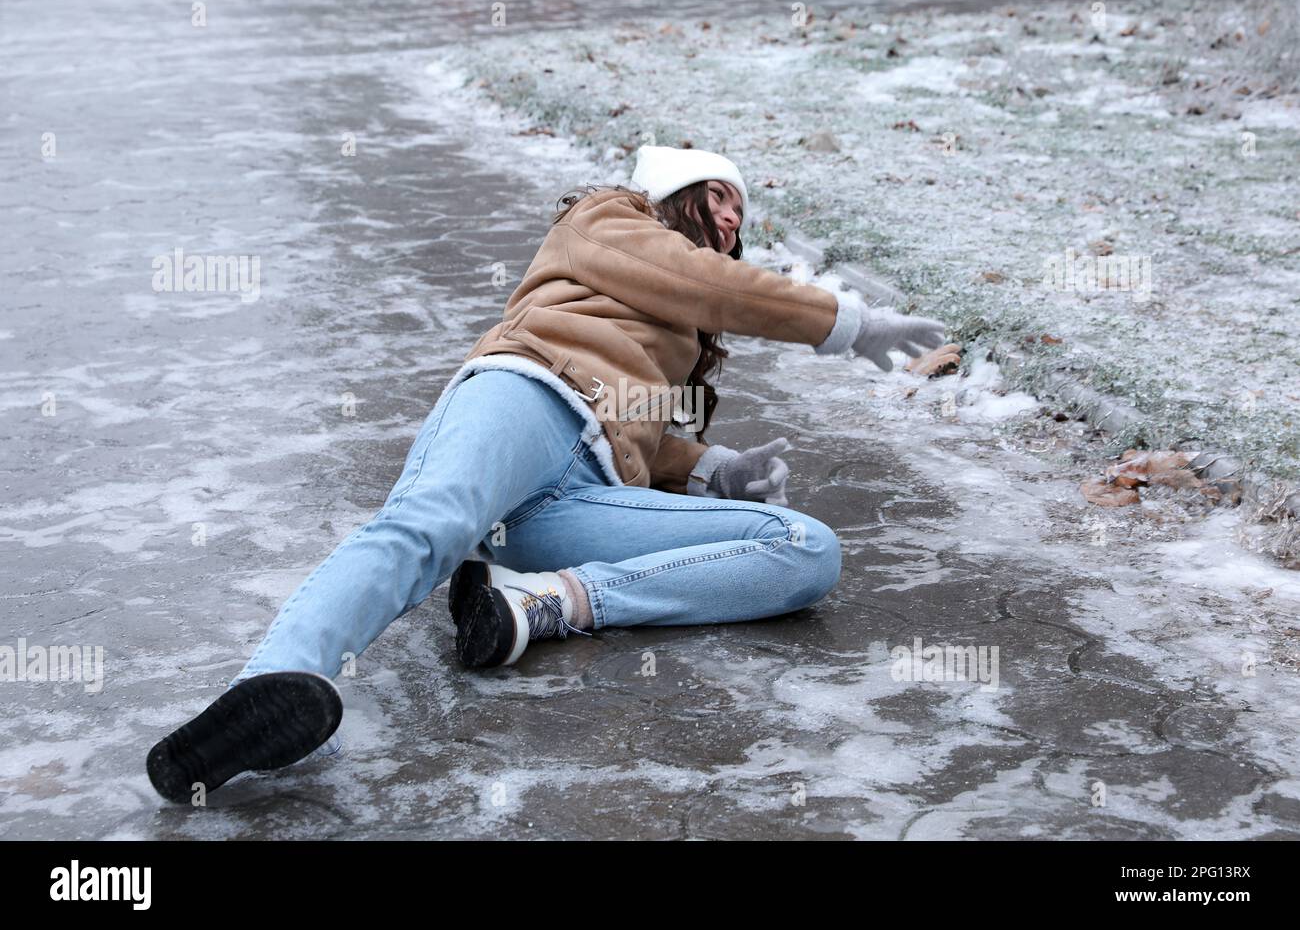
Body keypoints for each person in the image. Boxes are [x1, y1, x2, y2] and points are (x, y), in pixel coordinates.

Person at [145, 144, 947, 803]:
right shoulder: (606, 219)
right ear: (670, 189)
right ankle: (270, 688)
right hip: (526, 398)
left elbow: (638, 428)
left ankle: (535, 605)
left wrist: (715, 470)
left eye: (742, 209)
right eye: (719, 195)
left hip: (578, 493)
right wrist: (852, 324)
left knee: (805, 548)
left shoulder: (681, 317)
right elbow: (708, 282)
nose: (734, 217)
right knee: (427, 527)